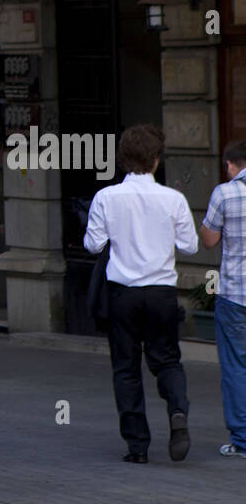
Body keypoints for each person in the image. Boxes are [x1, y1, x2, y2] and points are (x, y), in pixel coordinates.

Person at [85, 124, 198, 463]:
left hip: (123, 294)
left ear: (122, 160)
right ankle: (177, 410)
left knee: (126, 368)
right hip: (161, 291)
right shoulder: (173, 199)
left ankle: (137, 446)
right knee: (168, 360)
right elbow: (190, 246)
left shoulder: (106, 198)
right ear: (156, 160)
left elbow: (93, 245)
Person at [199, 139, 246, 458]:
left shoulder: (225, 192)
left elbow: (209, 240)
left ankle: (242, 440)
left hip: (235, 294)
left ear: (230, 164)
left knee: (235, 368)